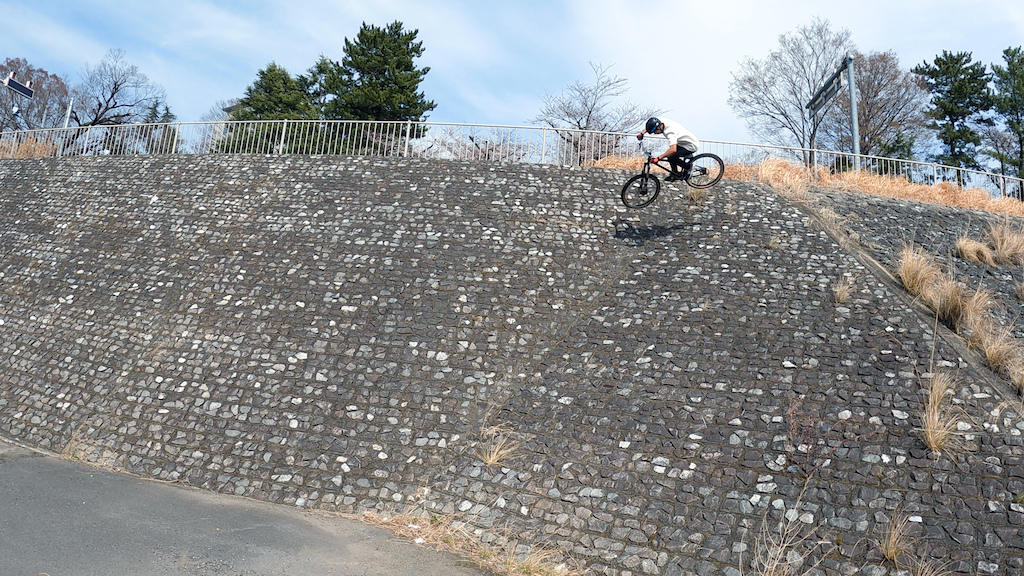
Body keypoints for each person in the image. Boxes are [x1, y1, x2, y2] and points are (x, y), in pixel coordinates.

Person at [637, 117, 700, 182]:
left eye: (655, 132)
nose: (655, 133)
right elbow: (652, 125)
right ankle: (674, 174)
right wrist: (642, 133)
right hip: (683, 143)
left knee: (672, 156)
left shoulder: (670, 132)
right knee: (670, 156)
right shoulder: (661, 122)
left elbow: (673, 150)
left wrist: (658, 158)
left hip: (691, 145)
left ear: (659, 127)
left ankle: (688, 167)